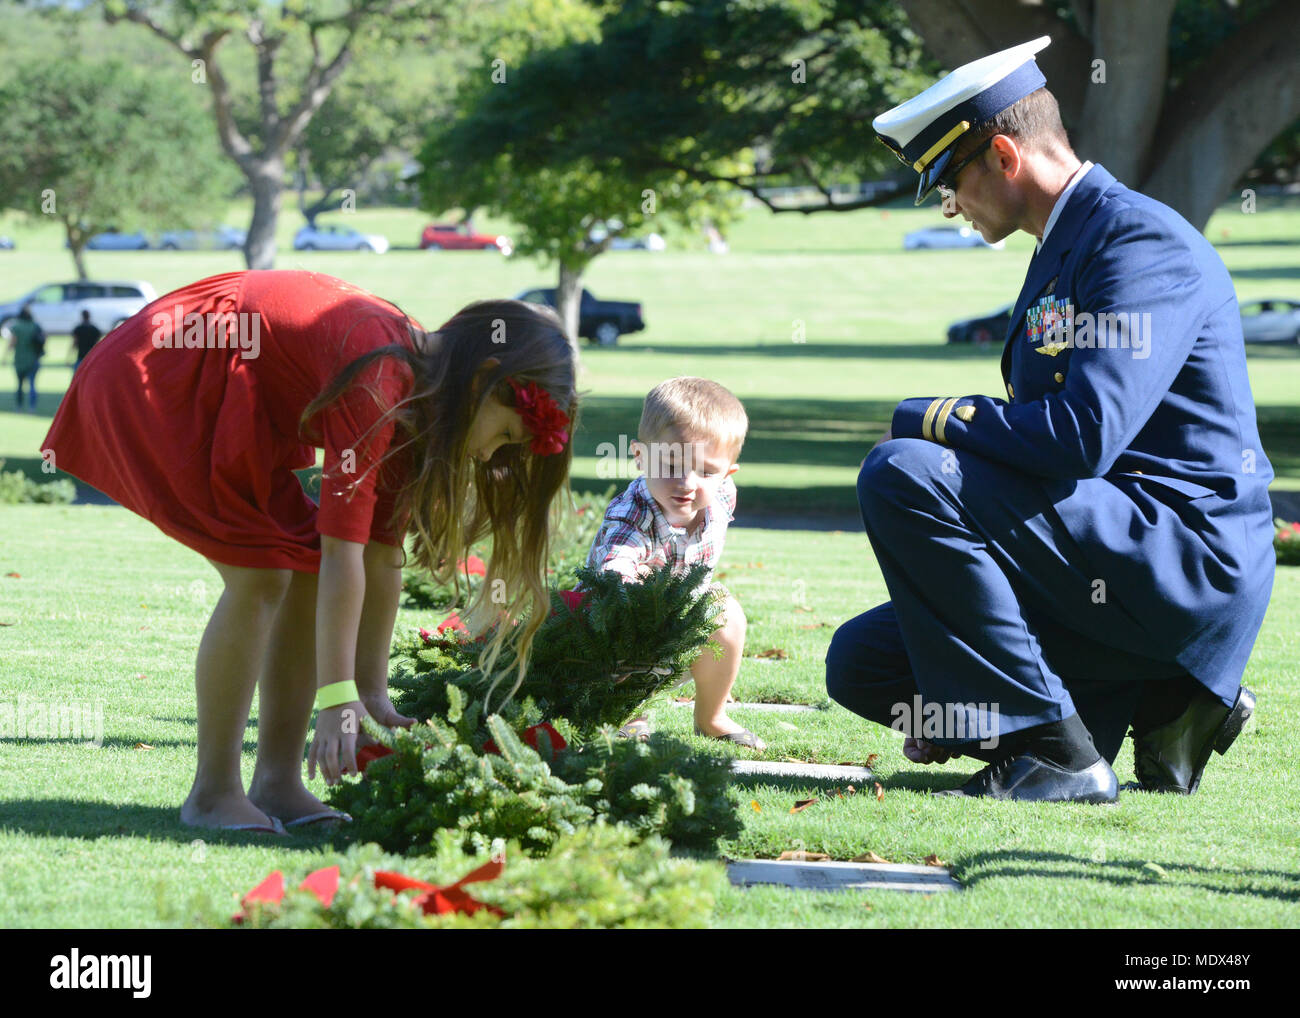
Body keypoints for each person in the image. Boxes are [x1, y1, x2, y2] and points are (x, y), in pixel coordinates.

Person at [826, 37, 1271, 802]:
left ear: (1004, 155)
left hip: (1177, 557)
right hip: (1104, 555)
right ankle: (1140, 699)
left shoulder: (1137, 239)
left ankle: (1066, 751)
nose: (948, 206)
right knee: (863, 661)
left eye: (950, 180)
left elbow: (1081, 435)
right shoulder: (1071, 242)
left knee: (905, 471)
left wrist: (932, 418)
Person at [42, 270, 577, 832]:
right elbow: (342, 546)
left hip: (230, 395)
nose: (487, 453)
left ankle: (276, 784)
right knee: (264, 574)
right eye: (505, 434)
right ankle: (212, 794)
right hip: (161, 376)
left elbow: (379, 549)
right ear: (484, 379)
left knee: (296, 567)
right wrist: (336, 695)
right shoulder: (379, 374)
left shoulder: (420, 392)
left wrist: (369, 692)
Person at [584, 377, 765, 750]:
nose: (686, 481)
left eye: (706, 471)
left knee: (727, 613)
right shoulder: (631, 517)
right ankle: (627, 714)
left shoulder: (721, 495)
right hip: (609, 639)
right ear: (639, 456)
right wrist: (632, 585)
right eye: (670, 463)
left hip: (678, 627)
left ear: (727, 474)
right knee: (621, 620)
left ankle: (711, 716)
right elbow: (614, 575)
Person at [6, 305, 45, 410]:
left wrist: (5, 356)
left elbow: (12, 343)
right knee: (32, 385)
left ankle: (19, 406)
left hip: (20, 360)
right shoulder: (34, 326)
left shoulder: (17, 327)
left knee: (19, 385)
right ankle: (32, 407)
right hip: (33, 359)